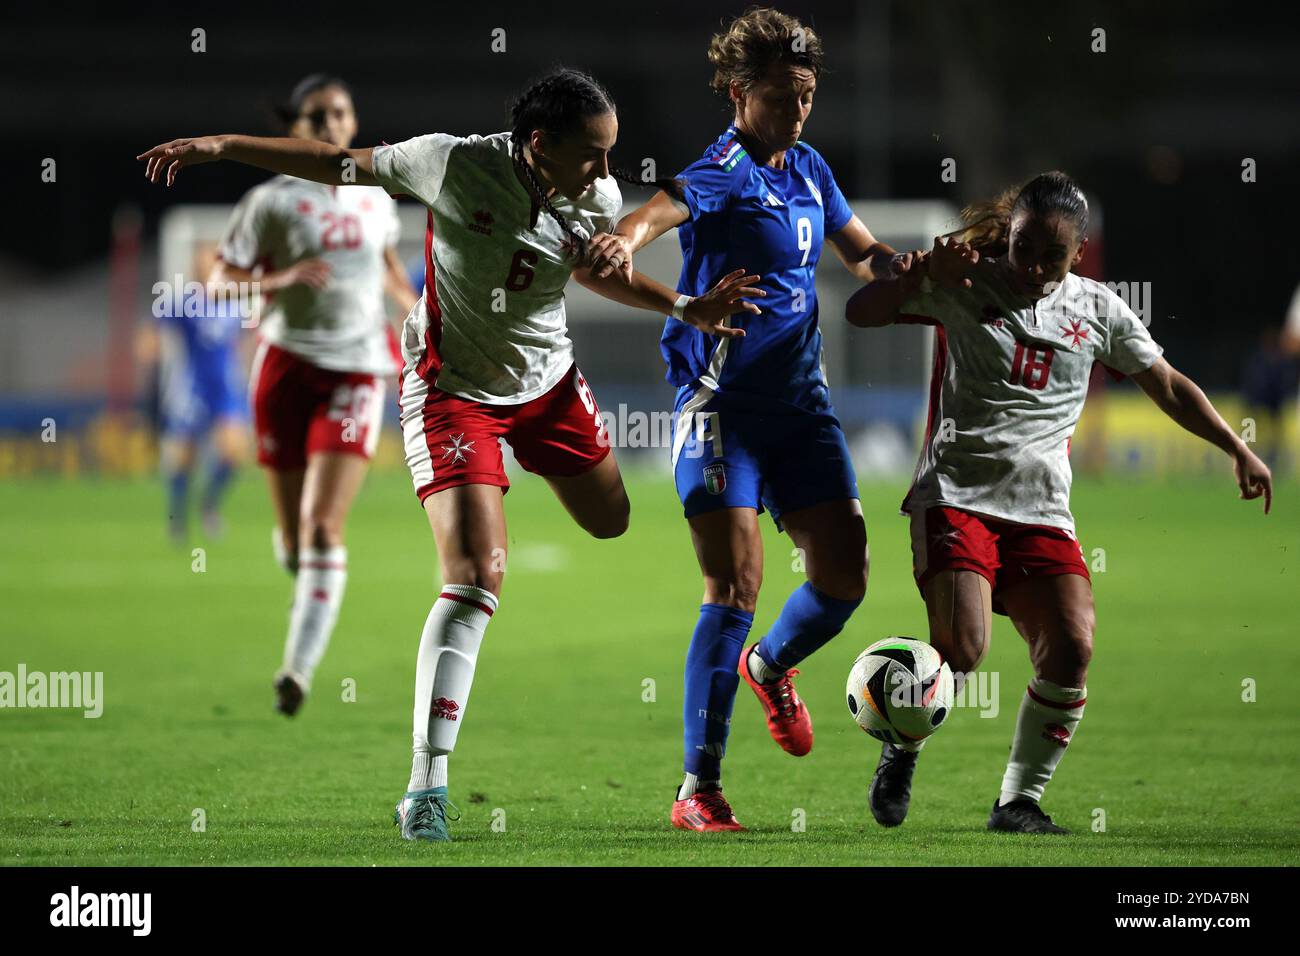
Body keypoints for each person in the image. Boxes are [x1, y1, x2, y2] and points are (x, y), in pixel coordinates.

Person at [139, 66, 762, 842]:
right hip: (453, 392)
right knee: (474, 578)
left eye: (612, 154)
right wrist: (224, 146)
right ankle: (426, 785)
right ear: (539, 145)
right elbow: (340, 164)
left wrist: (679, 305)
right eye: (594, 154)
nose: (608, 172)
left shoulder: (596, 200)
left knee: (612, 521)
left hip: (549, 386)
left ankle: (510, 471)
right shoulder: (451, 162)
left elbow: (599, 273)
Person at [845, 171, 1273, 833]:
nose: (1036, 266)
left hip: (1042, 510)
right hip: (957, 497)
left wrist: (1235, 447)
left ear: (1079, 254)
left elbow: (1166, 384)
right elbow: (861, 313)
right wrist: (917, 274)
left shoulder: (1099, 309)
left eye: (1053, 255)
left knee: (1071, 648)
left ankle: (1017, 802)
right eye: (1024, 248)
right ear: (1009, 233)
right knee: (962, 649)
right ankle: (901, 745)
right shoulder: (966, 280)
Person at [607, 7, 919, 831]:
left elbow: (861, 254)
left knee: (845, 576)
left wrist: (915, 267)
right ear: (741, 93)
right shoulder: (724, 165)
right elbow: (658, 210)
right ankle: (696, 789)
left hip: (801, 409)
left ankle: (771, 666)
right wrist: (626, 238)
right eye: (784, 96)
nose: (799, 110)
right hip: (722, 412)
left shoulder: (809, 166)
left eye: (809, 94)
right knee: (735, 582)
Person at [144, 243, 248, 543]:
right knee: (183, 459)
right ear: (195, 267)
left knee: (235, 452)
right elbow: (154, 331)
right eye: (204, 262)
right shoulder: (183, 301)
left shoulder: (235, 300)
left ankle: (209, 503)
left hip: (226, 388)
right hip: (192, 387)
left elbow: (240, 341)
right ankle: (177, 519)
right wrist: (150, 348)